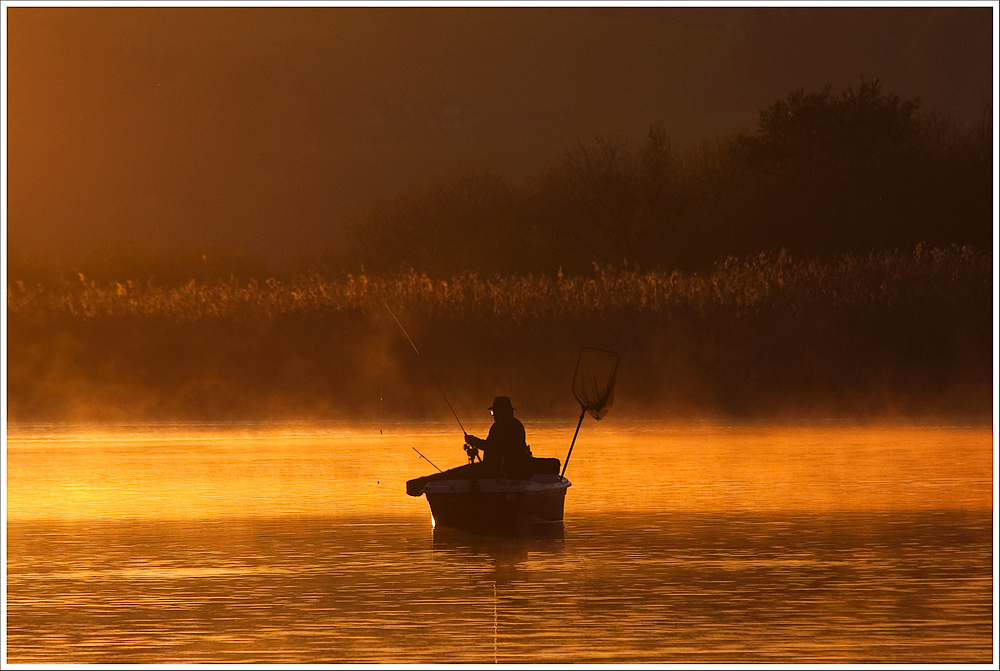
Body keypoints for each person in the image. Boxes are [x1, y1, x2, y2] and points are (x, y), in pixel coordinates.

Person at [464, 396, 532, 470]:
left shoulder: (515, 427)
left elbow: (495, 447)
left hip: (511, 468)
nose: (494, 415)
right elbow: (491, 445)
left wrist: (475, 442)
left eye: (495, 412)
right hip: (496, 467)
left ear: (504, 412)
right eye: (493, 412)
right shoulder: (496, 427)